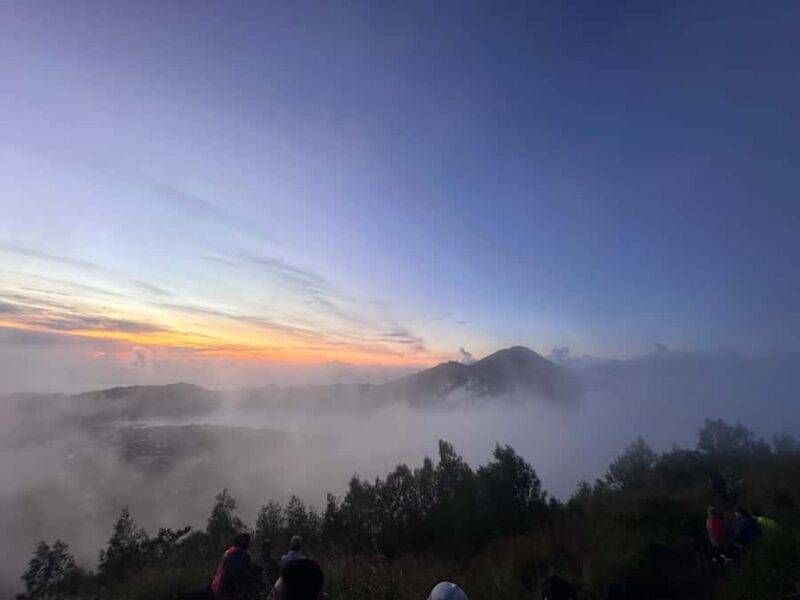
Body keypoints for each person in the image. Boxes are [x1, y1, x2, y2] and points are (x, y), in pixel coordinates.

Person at [211, 533, 256, 600]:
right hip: (227, 591)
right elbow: (236, 572)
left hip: (217, 587)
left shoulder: (230, 552)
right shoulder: (240, 554)